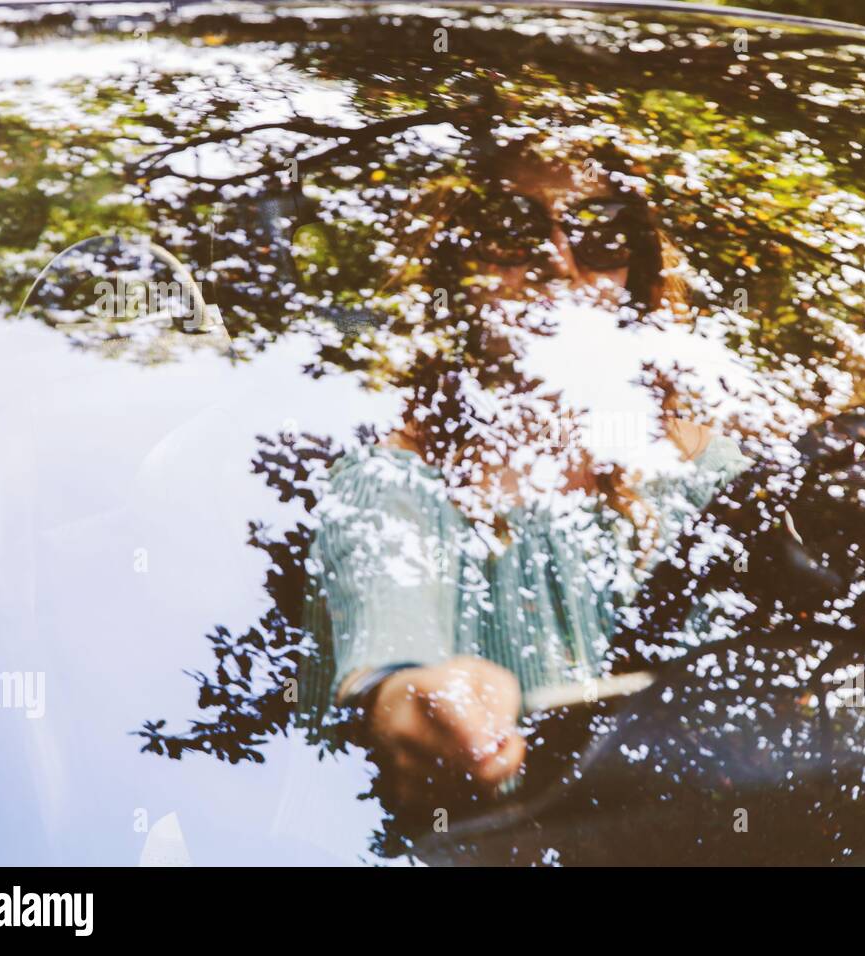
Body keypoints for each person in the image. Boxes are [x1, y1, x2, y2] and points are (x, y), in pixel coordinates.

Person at [300, 132, 754, 808]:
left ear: (634, 270)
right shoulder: (393, 490)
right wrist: (410, 701)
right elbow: (390, 663)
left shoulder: (705, 472)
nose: (556, 261)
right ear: (458, 260)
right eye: (511, 228)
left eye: (601, 233)